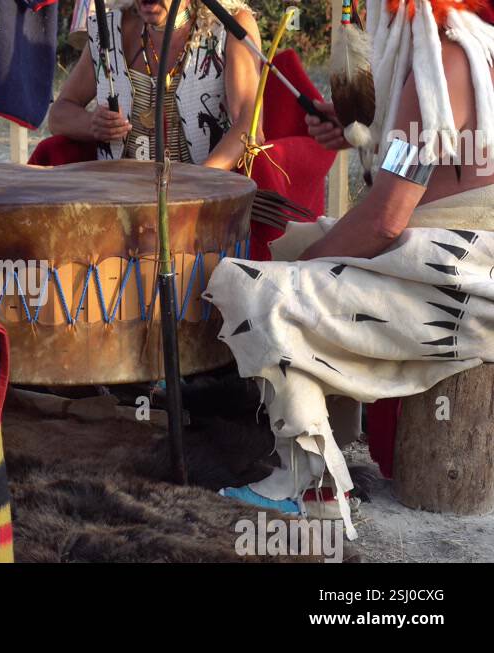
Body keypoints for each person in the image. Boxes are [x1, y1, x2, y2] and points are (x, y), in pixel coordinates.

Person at [209, 0, 494, 537]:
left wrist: (312, 268)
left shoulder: (441, 65)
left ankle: (308, 484)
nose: (366, 16)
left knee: (252, 288)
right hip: (461, 258)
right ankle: (331, 434)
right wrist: (358, 131)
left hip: (461, 284)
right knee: (291, 245)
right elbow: (434, 161)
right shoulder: (472, 46)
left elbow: (386, 219)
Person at [38, 0, 262, 168]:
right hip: (117, 199)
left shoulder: (231, 26)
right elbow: (59, 115)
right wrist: (92, 124)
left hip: (204, 206)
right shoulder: (108, 31)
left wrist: (199, 187)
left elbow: (249, 125)